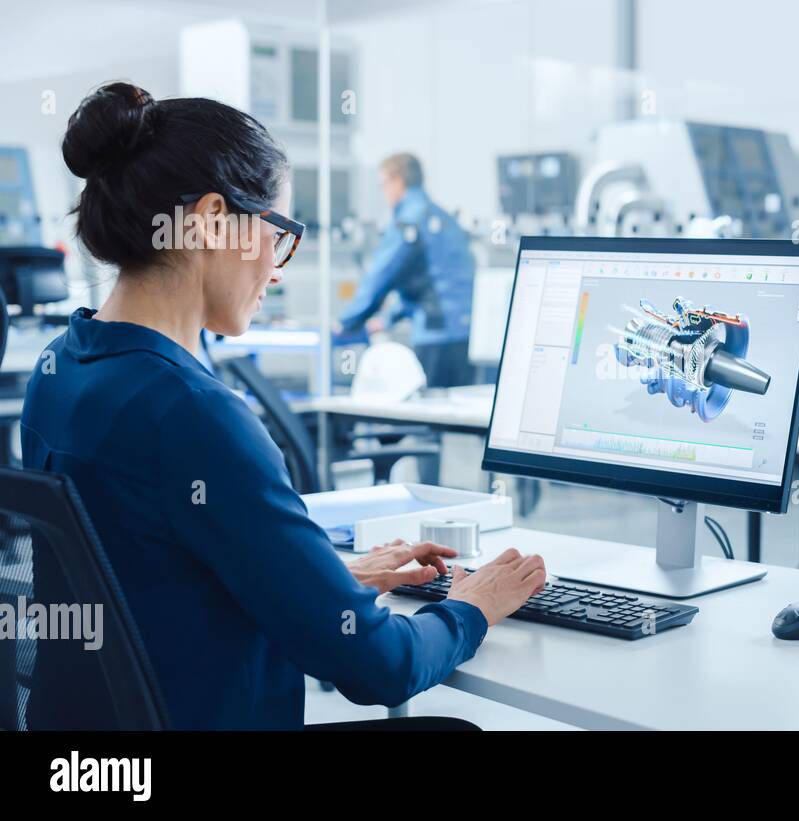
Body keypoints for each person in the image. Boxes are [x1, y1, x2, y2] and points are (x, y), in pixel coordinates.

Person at [21, 82, 545, 730]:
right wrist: (472, 605)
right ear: (211, 219)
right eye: (278, 232)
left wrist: (322, 580)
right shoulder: (195, 415)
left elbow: (144, 573)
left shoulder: (59, 369)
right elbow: (379, 665)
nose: (278, 267)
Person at [336, 152, 476, 388]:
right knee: (455, 415)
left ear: (397, 181)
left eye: (383, 185)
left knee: (432, 415)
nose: (384, 193)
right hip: (465, 335)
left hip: (436, 335)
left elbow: (381, 276)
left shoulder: (408, 221)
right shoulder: (443, 217)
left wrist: (346, 322)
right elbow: (430, 281)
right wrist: (389, 317)